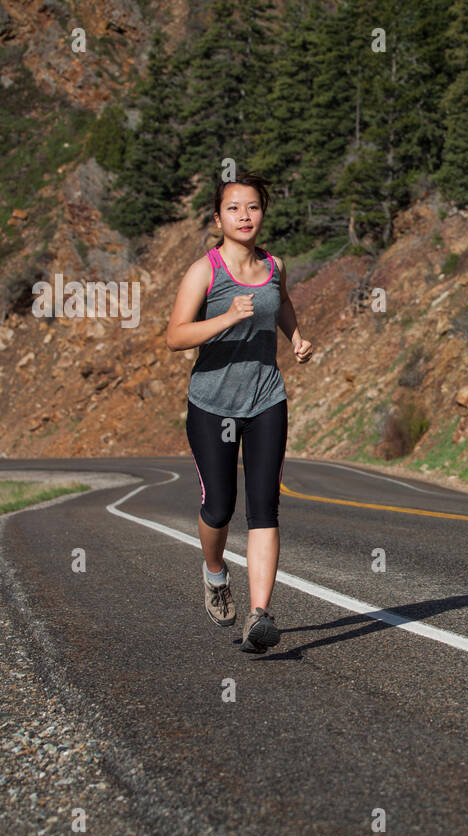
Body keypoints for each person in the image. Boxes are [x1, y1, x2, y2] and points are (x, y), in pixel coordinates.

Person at [165, 172, 314, 652]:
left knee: (264, 506)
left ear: (262, 214)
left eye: (252, 207)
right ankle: (214, 573)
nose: (244, 216)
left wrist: (296, 338)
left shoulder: (274, 265)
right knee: (220, 506)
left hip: (266, 398)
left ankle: (259, 616)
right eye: (234, 208)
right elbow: (175, 336)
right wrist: (228, 317)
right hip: (212, 404)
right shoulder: (204, 272)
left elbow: (283, 302)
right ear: (218, 218)